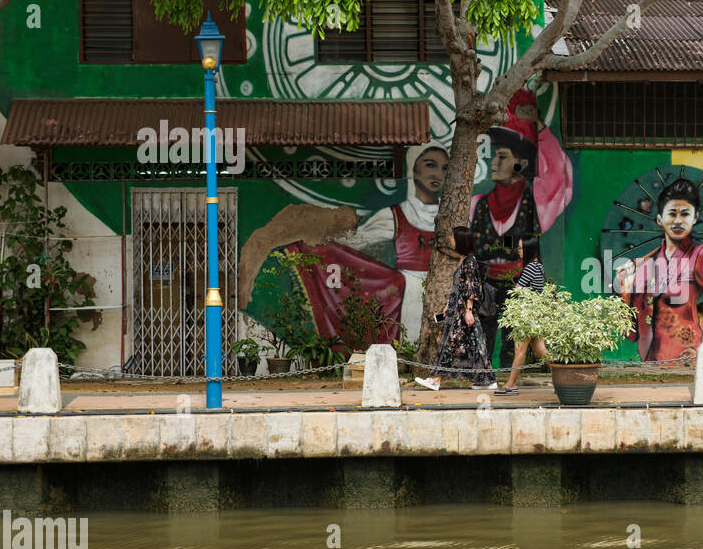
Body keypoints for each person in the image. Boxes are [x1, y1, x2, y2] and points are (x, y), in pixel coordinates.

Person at [239, 142, 449, 343]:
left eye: (444, 168)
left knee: (442, 332)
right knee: (415, 340)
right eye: (429, 164)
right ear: (414, 168)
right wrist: (315, 248)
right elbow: (357, 243)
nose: (436, 173)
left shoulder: (453, 216)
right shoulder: (396, 215)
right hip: (409, 293)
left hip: (444, 292)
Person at [470, 88, 573, 368]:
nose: (494, 161)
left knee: (512, 334)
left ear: (520, 164)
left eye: (502, 157)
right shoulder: (478, 204)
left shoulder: (533, 203)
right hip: (487, 281)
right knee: (486, 330)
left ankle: (508, 373)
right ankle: (486, 371)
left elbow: (556, 174)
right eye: (494, 156)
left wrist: (538, 126)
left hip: (518, 284)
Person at [614, 177, 703, 361]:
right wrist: (624, 290)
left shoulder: (701, 254)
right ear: (660, 219)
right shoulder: (643, 265)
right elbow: (631, 334)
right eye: (672, 213)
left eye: (685, 214)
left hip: (686, 361)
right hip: (649, 365)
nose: (678, 221)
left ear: (695, 217)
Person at [414, 226, 497, 391]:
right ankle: (487, 380)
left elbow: (471, 286)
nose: (451, 240)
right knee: (475, 344)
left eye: (453, 237)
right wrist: (448, 305)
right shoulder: (464, 259)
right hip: (456, 309)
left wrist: (468, 310)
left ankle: (435, 379)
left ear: (460, 240)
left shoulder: (469, 261)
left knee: (449, 344)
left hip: (462, 312)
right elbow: (459, 286)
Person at [495, 236, 550, 395]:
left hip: (526, 315)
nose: (518, 251)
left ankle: (511, 385)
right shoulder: (539, 265)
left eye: (520, 248)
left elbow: (517, 290)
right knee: (541, 351)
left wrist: (520, 289)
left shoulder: (529, 268)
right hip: (535, 314)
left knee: (520, 350)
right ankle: (567, 371)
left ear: (528, 249)